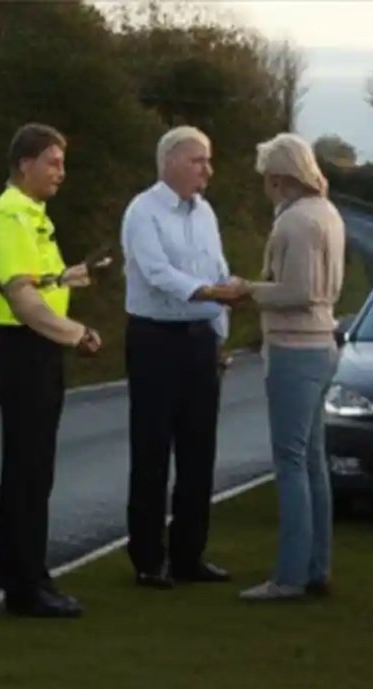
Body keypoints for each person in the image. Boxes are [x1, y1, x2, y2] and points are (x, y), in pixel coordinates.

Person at [0, 122, 104, 618]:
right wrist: (76, 333)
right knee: (27, 472)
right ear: (24, 164)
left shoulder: (33, 213)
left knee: (38, 471)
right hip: (23, 348)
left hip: (39, 349)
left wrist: (67, 277)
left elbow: (38, 281)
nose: (61, 172)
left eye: (62, 163)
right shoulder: (11, 213)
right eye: (52, 163)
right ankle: (24, 586)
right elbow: (23, 299)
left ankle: (34, 575)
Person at [119, 126, 244, 589]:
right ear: (170, 162)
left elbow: (218, 270)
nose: (207, 170)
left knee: (199, 449)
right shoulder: (143, 211)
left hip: (199, 339)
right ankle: (148, 558)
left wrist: (219, 334)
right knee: (152, 448)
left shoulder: (205, 213)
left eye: (207, 161)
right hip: (155, 338)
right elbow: (157, 273)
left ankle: (190, 554)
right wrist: (210, 293)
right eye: (198, 160)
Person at [229, 132, 346, 601]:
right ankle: (316, 566)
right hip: (321, 345)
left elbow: (299, 291)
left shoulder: (296, 222)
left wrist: (247, 289)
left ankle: (290, 575)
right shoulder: (328, 213)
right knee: (312, 461)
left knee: (291, 461)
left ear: (278, 178)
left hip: (296, 347)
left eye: (266, 178)